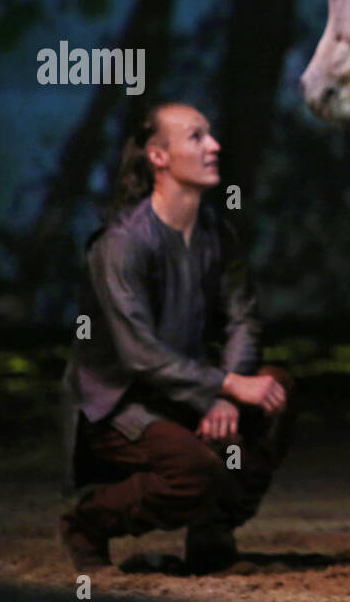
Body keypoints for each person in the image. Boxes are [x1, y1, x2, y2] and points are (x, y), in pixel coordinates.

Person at [58, 102, 295, 574]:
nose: (214, 146)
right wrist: (221, 388)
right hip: (122, 404)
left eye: (210, 135)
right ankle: (88, 523)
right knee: (195, 471)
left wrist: (228, 390)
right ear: (158, 157)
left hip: (191, 390)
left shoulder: (214, 233)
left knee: (275, 387)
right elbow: (138, 354)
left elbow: (243, 319)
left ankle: (212, 532)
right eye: (196, 137)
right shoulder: (122, 244)